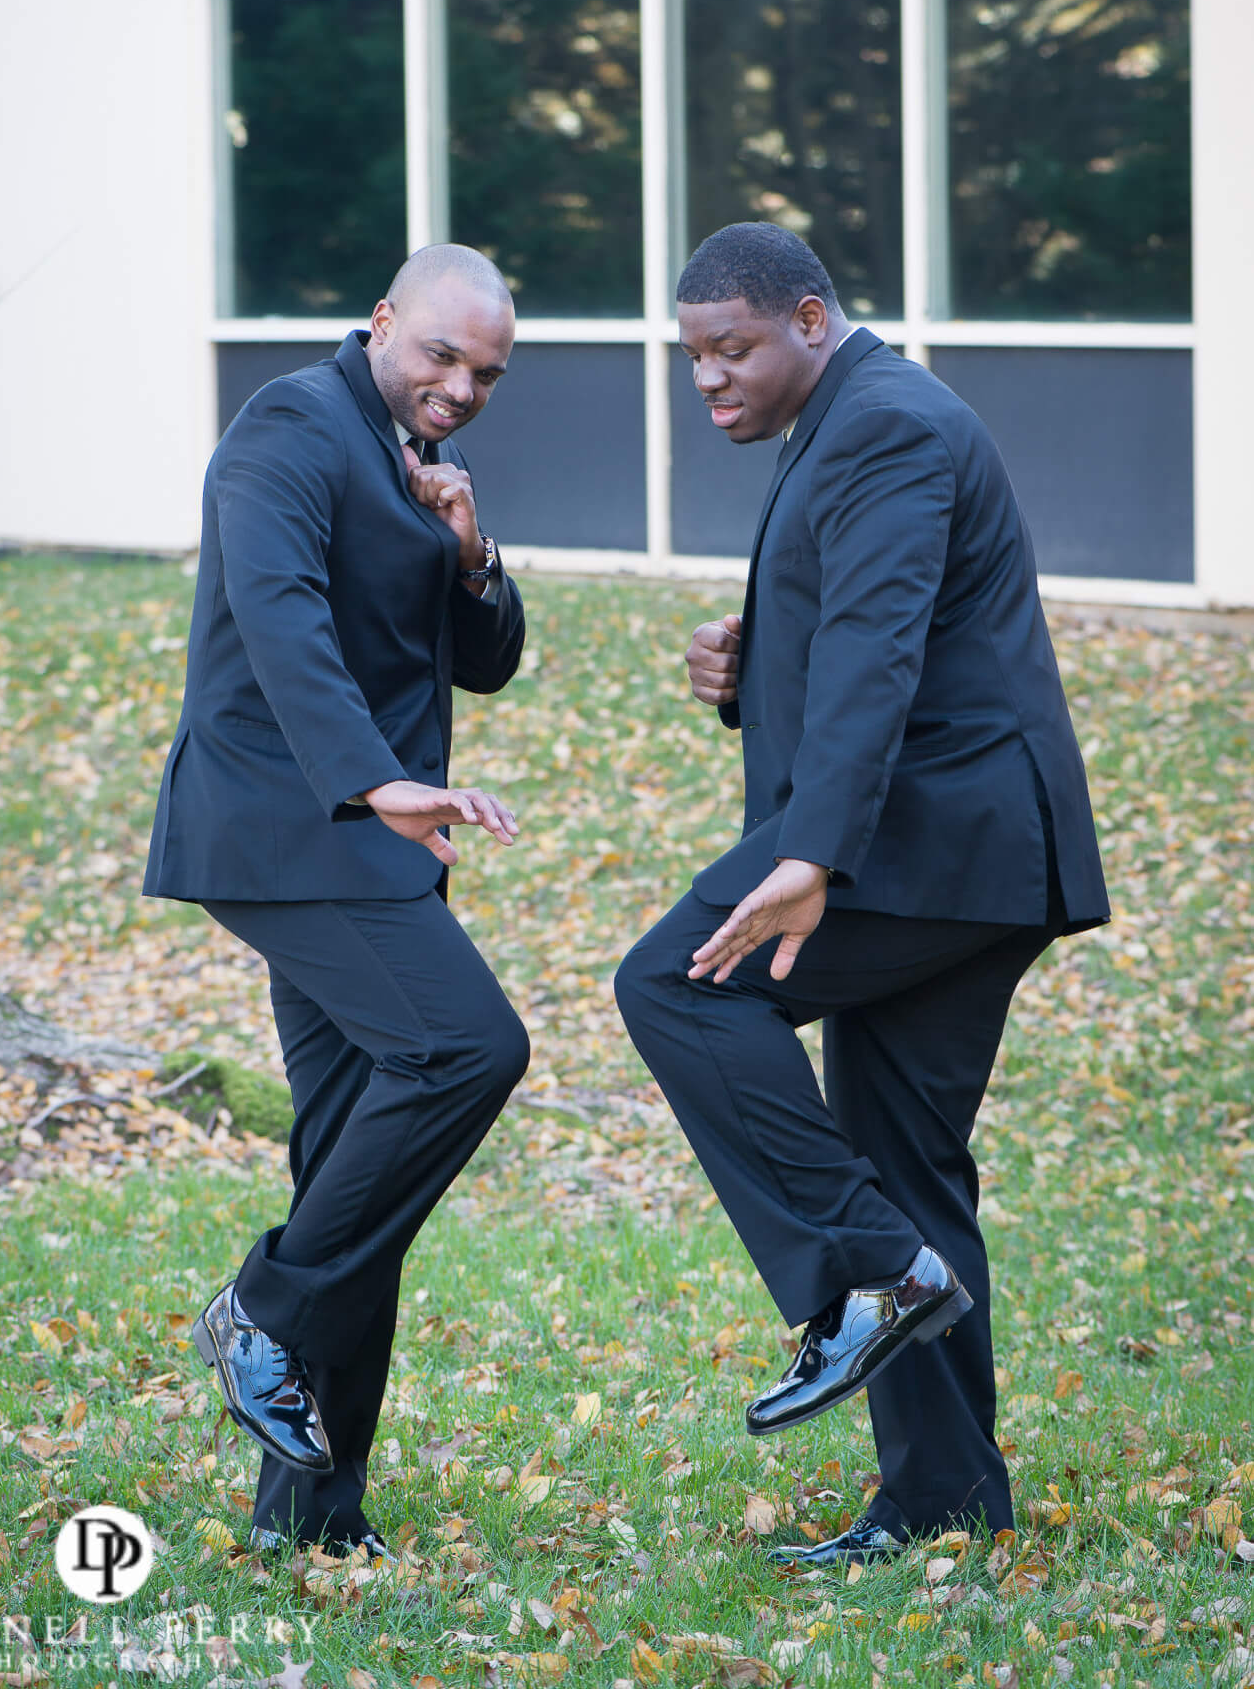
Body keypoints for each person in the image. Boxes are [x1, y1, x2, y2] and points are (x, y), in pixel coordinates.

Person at [614, 222, 1108, 1568]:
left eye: (733, 349)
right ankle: (944, 1498)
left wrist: (813, 856)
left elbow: (884, 652)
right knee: (905, 1167)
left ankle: (864, 1277)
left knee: (674, 984)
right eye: (694, 357)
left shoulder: (885, 424)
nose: (709, 378)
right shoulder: (853, 418)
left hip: (928, 848)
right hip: (966, 852)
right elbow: (878, 624)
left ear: (813, 321)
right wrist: (749, 656)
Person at [143, 243, 530, 1559]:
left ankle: (312, 1517)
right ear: (381, 321)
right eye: (441, 353)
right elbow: (281, 620)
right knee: (467, 1047)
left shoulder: (420, 464)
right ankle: (261, 1308)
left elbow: (483, 663)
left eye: (486, 370)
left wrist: (470, 555)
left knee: (351, 1164)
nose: (462, 385)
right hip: (284, 827)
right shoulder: (288, 427)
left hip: (368, 834)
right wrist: (373, 785)